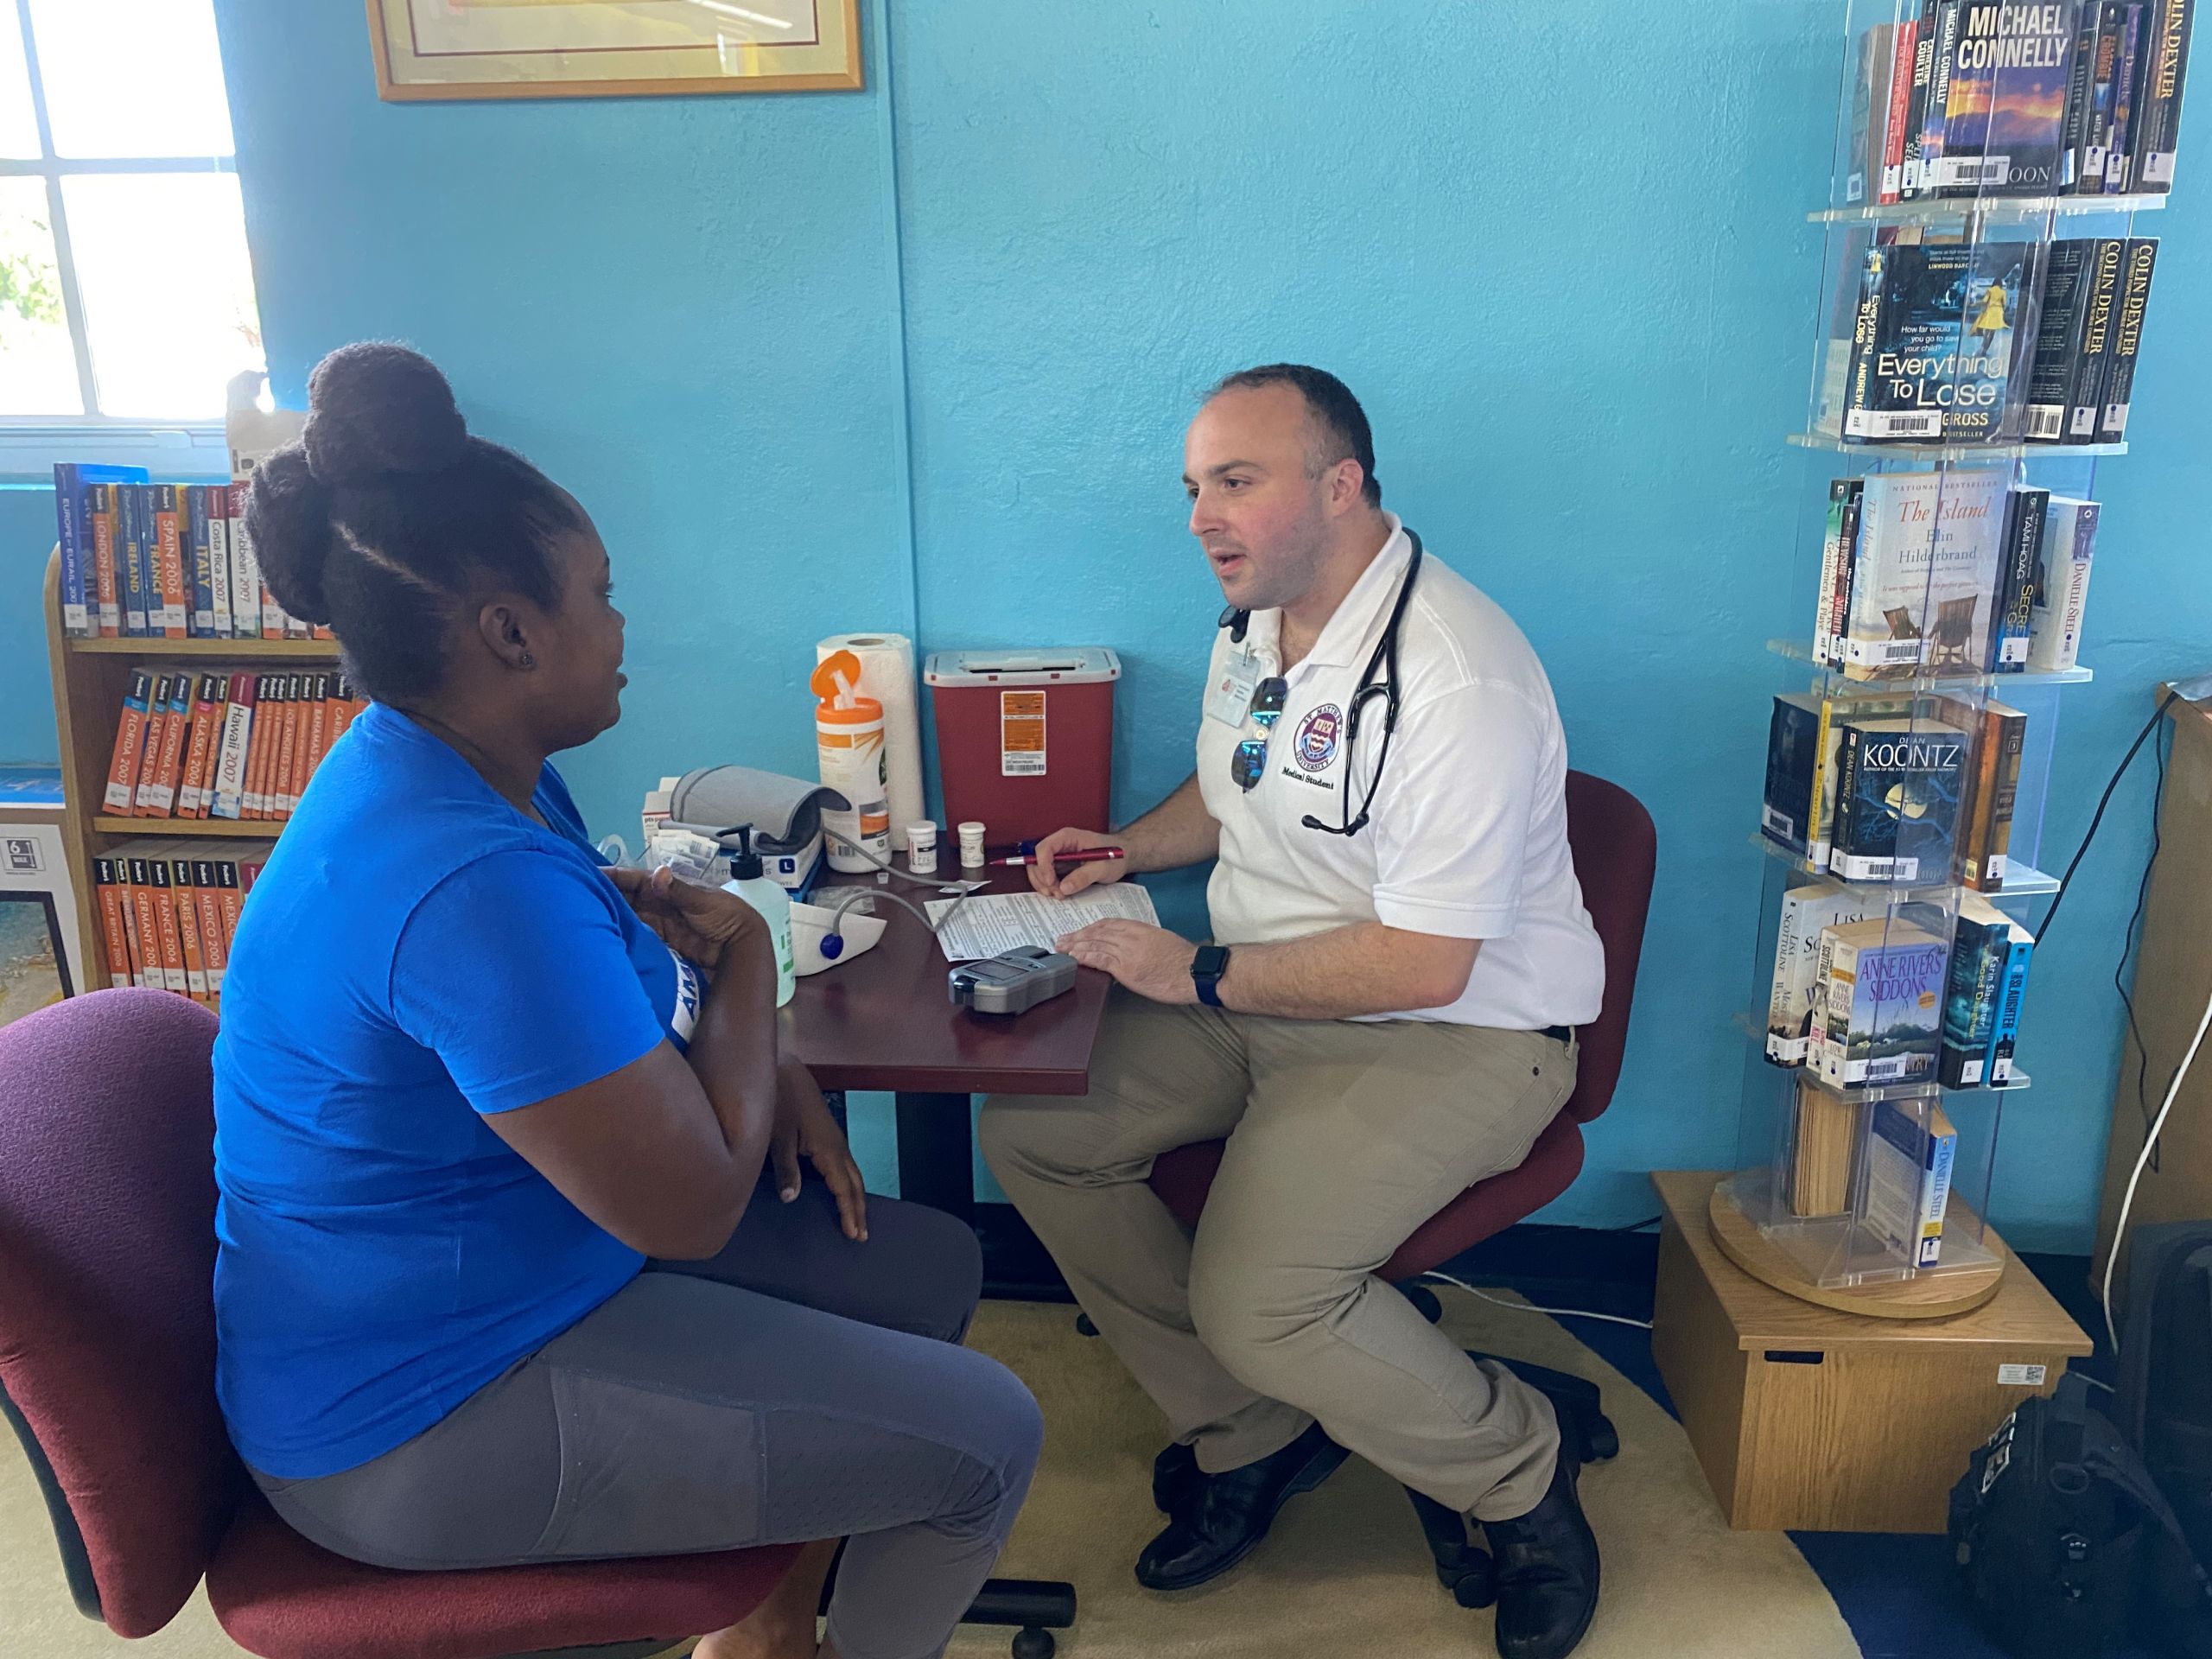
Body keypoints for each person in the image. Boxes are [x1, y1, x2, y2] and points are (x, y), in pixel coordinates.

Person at [213, 342, 1041, 1659]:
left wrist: (770, 1064)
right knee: (990, 1439)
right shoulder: (467, 882)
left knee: (923, 1265)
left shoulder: (462, 768)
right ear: (508, 632)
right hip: (417, 1412)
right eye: (600, 593)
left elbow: (623, 999)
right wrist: (756, 981)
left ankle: (760, 1631)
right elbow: (696, 1208)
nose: (620, 624)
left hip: (517, 1266)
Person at [979, 365, 1606, 1659]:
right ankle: (1255, 1429)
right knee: (1033, 1133)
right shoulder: (1258, 619)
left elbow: (1429, 965)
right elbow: (1238, 778)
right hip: (1271, 997)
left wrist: (1195, 975)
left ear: (1342, 484)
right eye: (1196, 488)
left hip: (1463, 1035)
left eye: (1239, 483)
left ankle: (1520, 1474)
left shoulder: (1457, 677)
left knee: (1260, 1295)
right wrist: (1132, 851)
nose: (1205, 517)